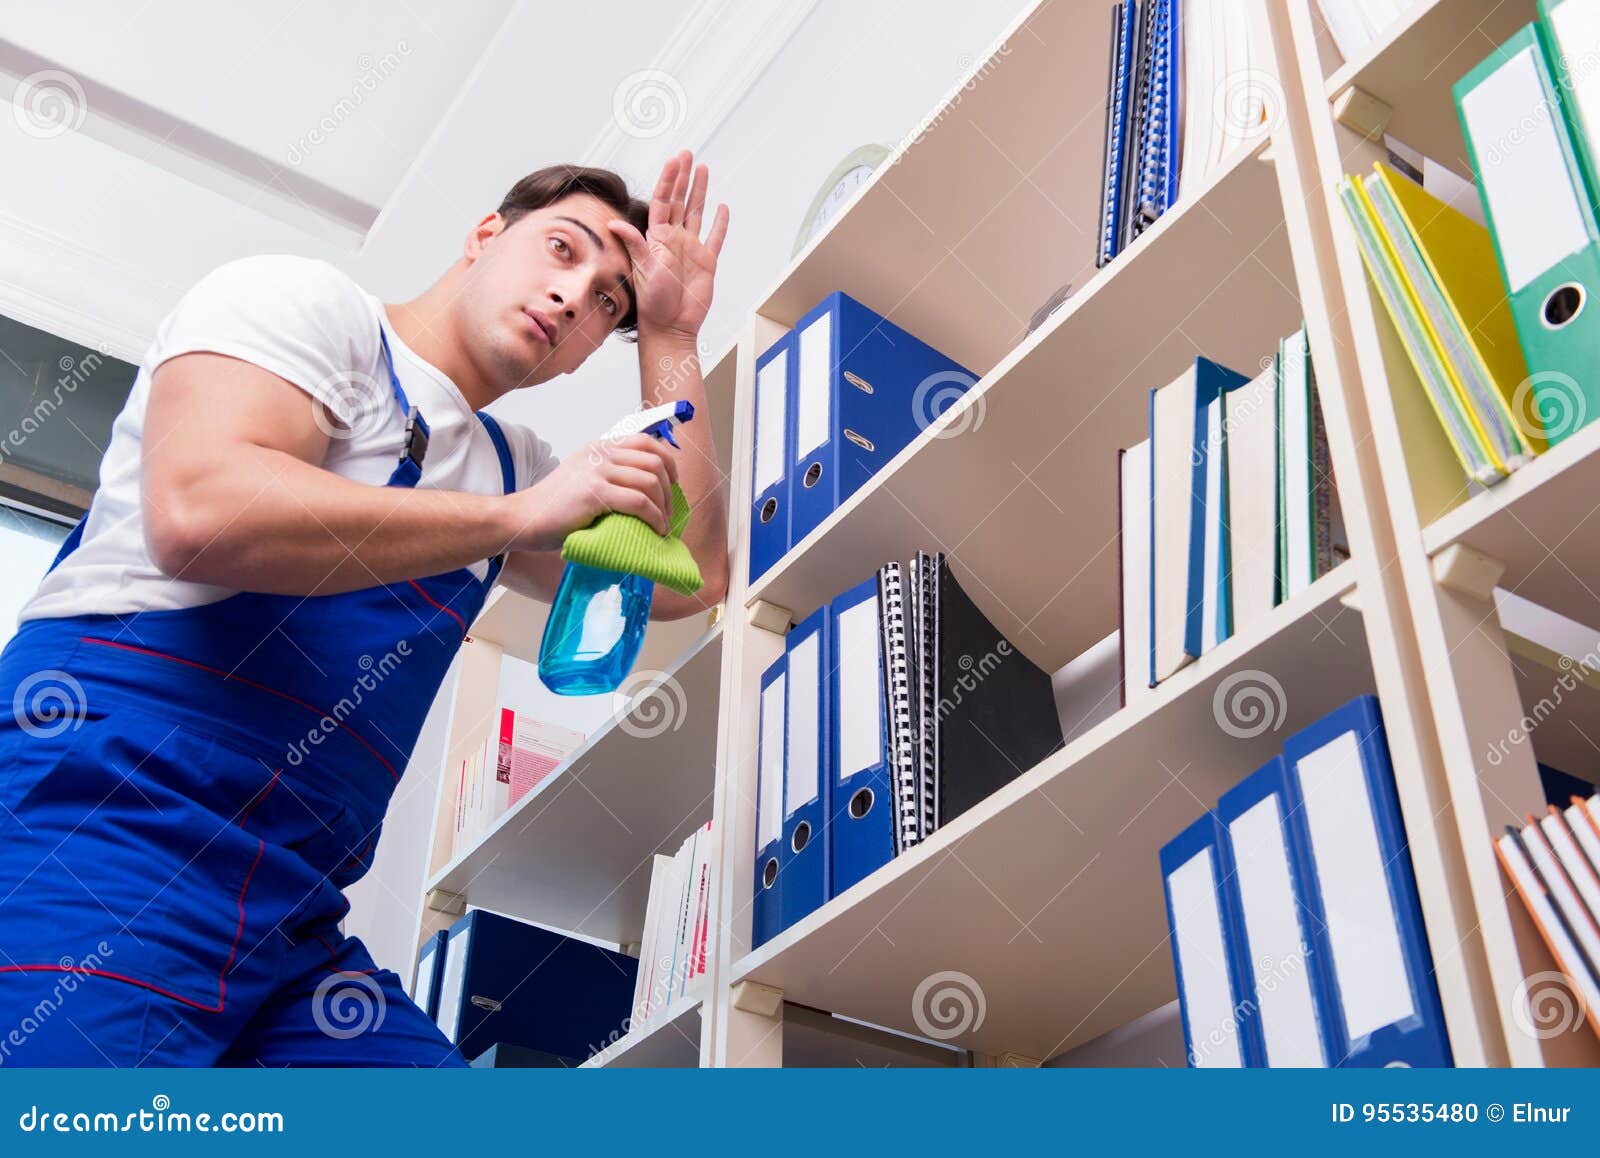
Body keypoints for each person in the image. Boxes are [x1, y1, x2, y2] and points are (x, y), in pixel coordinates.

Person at [0, 150, 730, 1066]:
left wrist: (669, 337)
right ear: (484, 236)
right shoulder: (305, 308)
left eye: (608, 303)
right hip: (104, 820)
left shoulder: (517, 463)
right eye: (561, 248)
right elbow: (203, 512)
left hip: (290, 917)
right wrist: (514, 521)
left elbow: (691, 577)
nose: (576, 297)